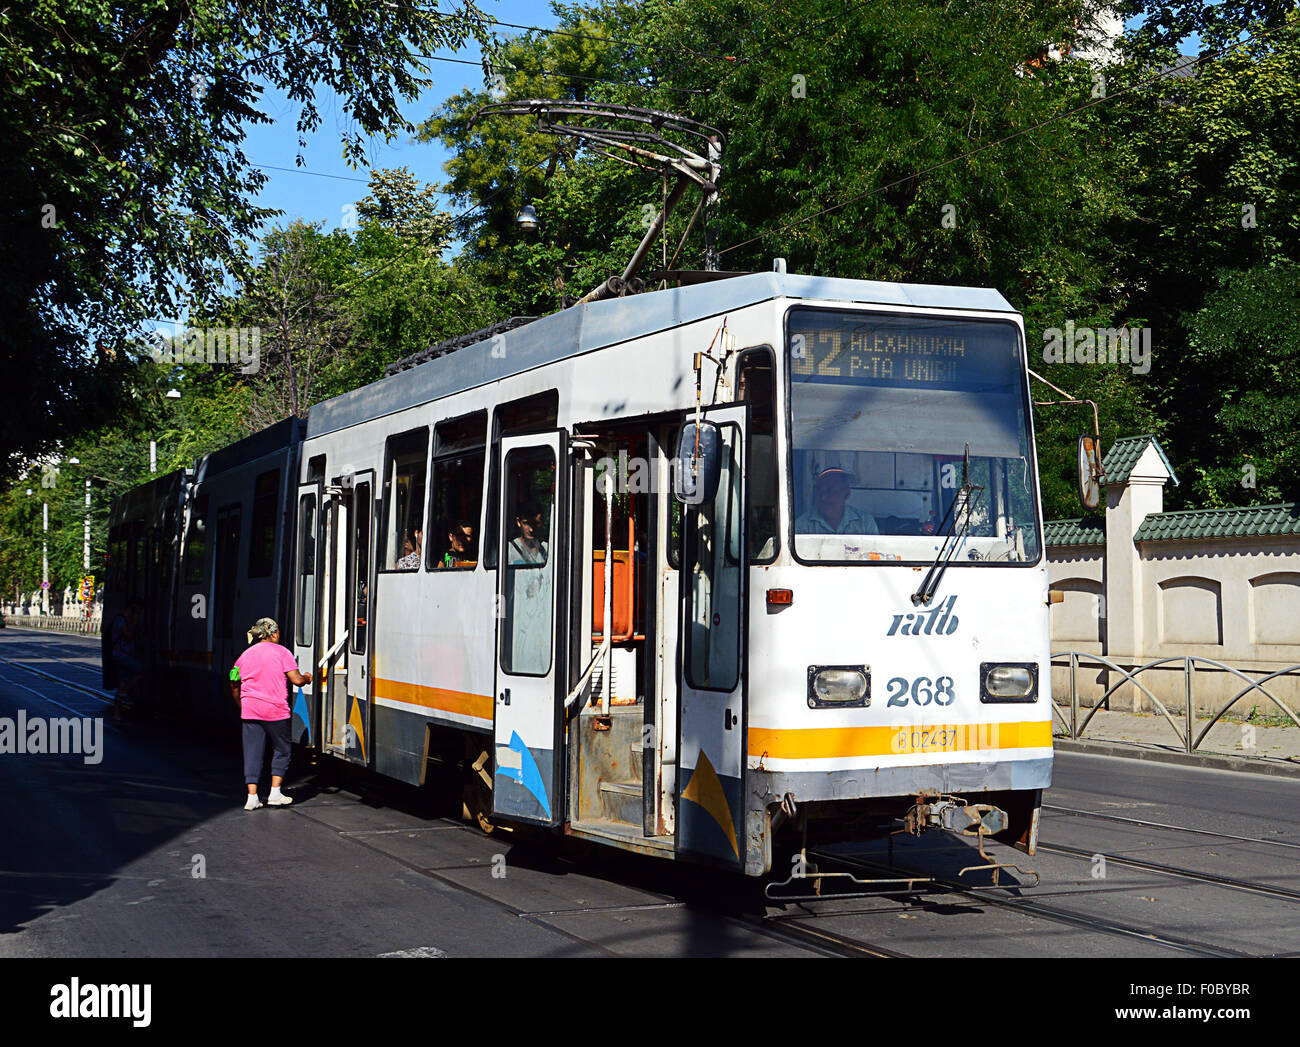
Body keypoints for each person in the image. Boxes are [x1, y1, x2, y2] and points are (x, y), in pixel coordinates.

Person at [230, 617, 312, 810]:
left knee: (252, 752)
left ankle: (252, 797)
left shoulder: (245, 655)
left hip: (250, 710)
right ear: (274, 633)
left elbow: (234, 683)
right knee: (282, 749)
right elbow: (296, 680)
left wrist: (241, 704)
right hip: (275, 711)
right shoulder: (283, 652)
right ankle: (275, 792)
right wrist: (307, 678)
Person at [795, 467, 880, 534]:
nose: (823, 497)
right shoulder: (803, 525)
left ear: (846, 494)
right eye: (820, 491)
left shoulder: (865, 523)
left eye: (830, 491)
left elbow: (874, 554)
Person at [110, 598, 146, 721]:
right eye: (136, 611)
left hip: (121, 655)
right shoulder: (122, 620)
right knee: (141, 671)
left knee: (122, 682)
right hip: (122, 655)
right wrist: (135, 622)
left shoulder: (120, 619)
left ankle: (117, 713)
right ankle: (124, 693)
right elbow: (129, 635)